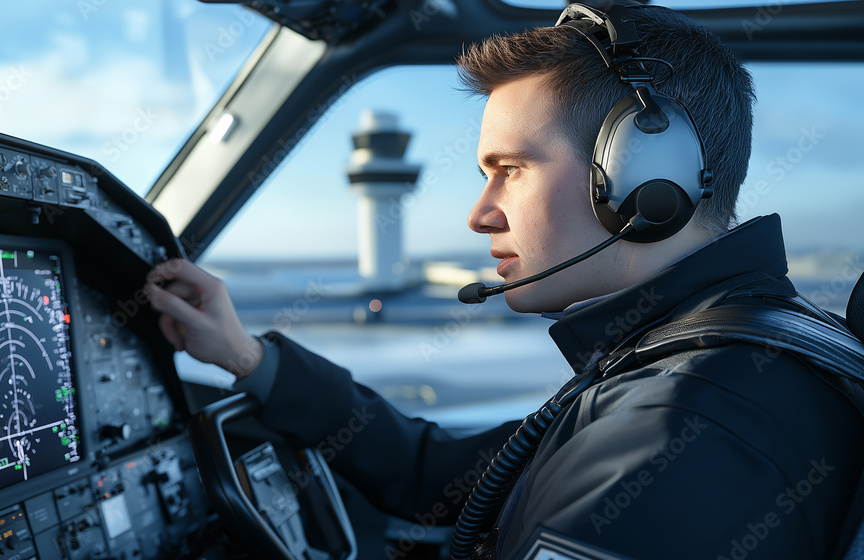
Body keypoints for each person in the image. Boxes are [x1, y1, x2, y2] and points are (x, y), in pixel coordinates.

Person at [143, 3, 864, 559]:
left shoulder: (680, 431)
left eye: (509, 170)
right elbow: (439, 476)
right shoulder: (701, 353)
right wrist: (247, 358)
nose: (479, 214)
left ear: (647, 175)